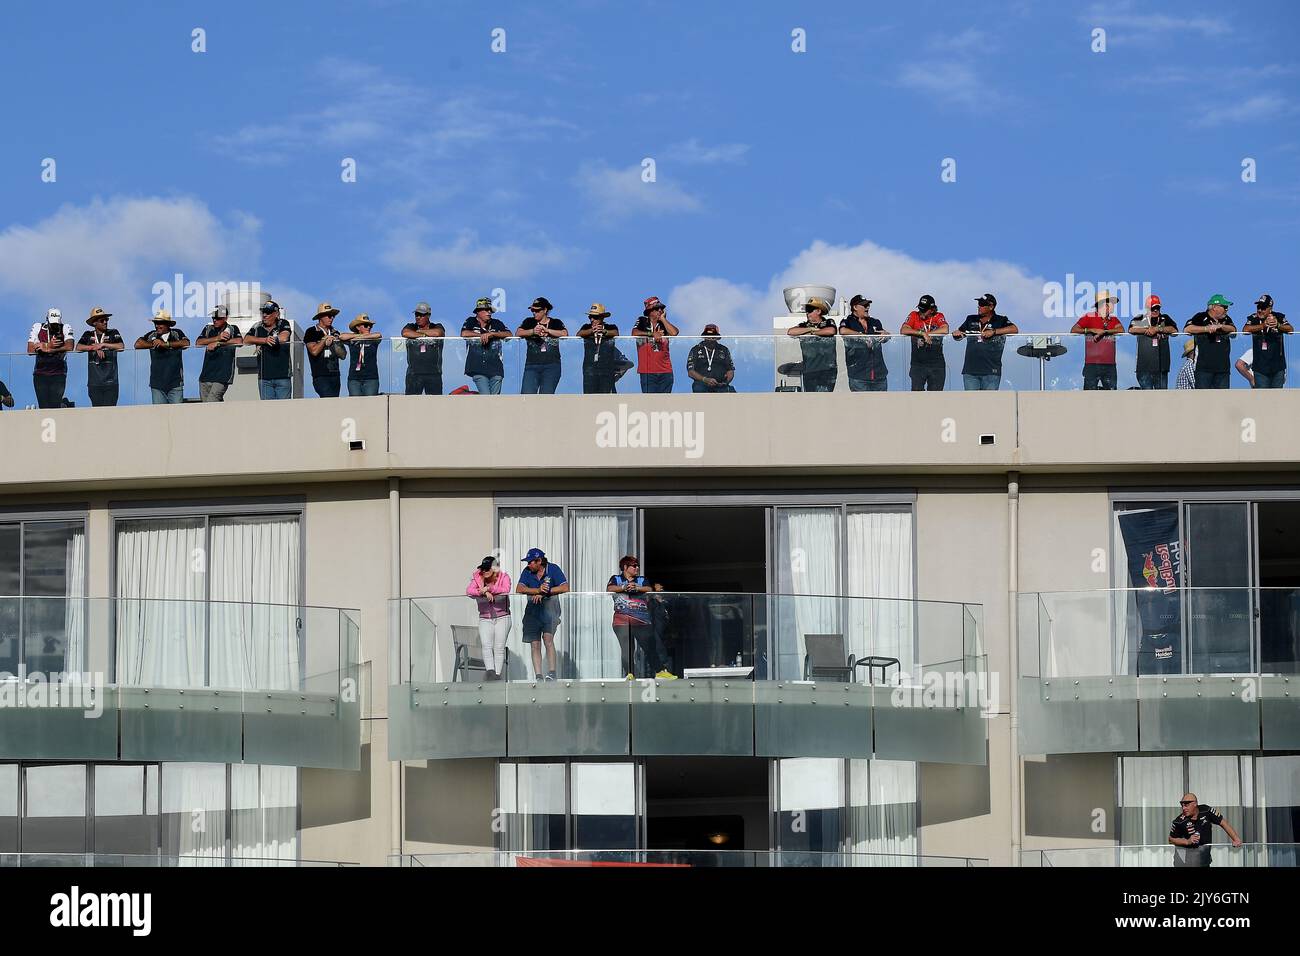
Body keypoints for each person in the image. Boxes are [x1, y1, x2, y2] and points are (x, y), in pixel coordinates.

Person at [607, 556, 676, 680]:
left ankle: (660, 671)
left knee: (650, 647)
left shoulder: (641, 579)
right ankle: (629, 673)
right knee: (627, 649)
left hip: (641, 621)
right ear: (625, 567)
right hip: (621, 621)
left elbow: (649, 589)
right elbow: (609, 589)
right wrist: (624, 587)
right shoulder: (616, 578)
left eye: (637, 565)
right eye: (634, 566)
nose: (637, 568)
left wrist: (637, 588)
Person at [516, 548, 569, 681]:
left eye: (531, 562)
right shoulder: (527, 571)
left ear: (539, 561)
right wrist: (537, 590)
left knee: (548, 640)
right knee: (535, 644)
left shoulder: (553, 569)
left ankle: (552, 673)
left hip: (550, 611)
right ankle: (538, 675)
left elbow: (565, 587)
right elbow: (519, 588)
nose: (528, 565)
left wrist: (546, 592)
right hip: (532, 612)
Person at [954, 293, 1017, 390]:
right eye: (979, 304)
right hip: (970, 371)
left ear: (991, 306)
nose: (979, 306)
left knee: (989, 403)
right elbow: (960, 333)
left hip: (991, 371)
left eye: (982, 304)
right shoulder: (970, 318)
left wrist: (994, 331)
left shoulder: (1000, 320)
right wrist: (956, 334)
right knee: (971, 403)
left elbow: (1014, 329)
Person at [466, 556, 512, 681]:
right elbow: (469, 591)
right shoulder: (477, 576)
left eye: (487, 569)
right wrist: (483, 592)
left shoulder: (504, 577)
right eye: (483, 569)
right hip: (485, 617)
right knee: (486, 645)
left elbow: (506, 590)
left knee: (498, 647)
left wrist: (490, 588)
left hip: (503, 616)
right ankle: (490, 674)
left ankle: (496, 675)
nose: (484, 571)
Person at [1168, 792, 1242, 867]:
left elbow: (1223, 822)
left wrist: (1235, 838)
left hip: (1204, 858)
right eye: (1182, 805)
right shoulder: (1179, 821)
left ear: (1195, 804)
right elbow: (1171, 839)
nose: (1184, 808)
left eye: (1186, 805)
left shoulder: (1206, 810)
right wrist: (1187, 841)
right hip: (1185, 862)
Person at [1071, 290, 1124, 390]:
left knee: (1112, 397)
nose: (1110, 306)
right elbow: (1074, 330)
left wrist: (1104, 332)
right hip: (1092, 364)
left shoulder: (1114, 319)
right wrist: (1091, 330)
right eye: (1108, 304)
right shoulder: (1088, 317)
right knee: (1089, 396)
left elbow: (1121, 329)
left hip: (1110, 365)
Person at [241, 300, 294, 400]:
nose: (264, 315)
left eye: (268, 312)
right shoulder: (257, 326)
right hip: (264, 377)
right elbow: (246, 340)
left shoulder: (283, 323)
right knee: (267, 411)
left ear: (276, 314)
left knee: (283, 410)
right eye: (263, 312)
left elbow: (284, 337)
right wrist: (264, 340)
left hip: (283, 376)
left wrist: (271, 340)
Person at [134, 310, 189, 404]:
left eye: (160, 323)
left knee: (177, 416)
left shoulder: (177, 333)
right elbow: (137, 344)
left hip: (175, 383)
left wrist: (166, 344)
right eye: (156, 323)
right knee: (159, 416)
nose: (157, 326)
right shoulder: (152, 335)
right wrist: (154, 344)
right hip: (157, 384)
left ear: (168, 324)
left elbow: (186, 343)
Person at [1184, 294, 1237, 390]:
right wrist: (1206, 328)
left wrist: (1220, 326)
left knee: (1222, 400)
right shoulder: (1200, 317)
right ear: (1214, 307)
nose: (1227, 309)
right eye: (1224, 307)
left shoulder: (1226, 319)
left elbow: (1233, 330)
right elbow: (1187, 329)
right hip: (1203, 368)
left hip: (1223, 368)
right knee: (1203, 400)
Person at [76, 306, 126, 407]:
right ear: (94, 323)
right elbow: (78, 348)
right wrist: (93, 348)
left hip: (111, 382)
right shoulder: (88, 334)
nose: (105, 322)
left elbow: (121, 347)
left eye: (106, 319)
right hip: (94, 382)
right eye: (102, 320)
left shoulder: (113, 332)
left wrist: (103, 345)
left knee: (110, 413)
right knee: (97, 413)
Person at [460, 297, 511, 394]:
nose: (489, 312)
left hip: (496, 368)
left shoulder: (496, 323)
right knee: (486, 397)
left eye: (490, 310)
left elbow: (509, 334)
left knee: (494, 400)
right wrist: (481, 335)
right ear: (478, 312)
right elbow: (464, 333)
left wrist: (492, 334)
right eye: (486, 310)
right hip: (477, 367)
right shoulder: (470, 321)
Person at [517, 297, 567, 394]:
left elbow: (564, 333)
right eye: (533, 310)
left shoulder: (556, 322)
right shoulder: (529, 321)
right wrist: (532, 331)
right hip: (532, 365)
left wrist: (548, 331)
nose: (534, 313)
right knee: (526, 396)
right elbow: (518, 333)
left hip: (552, 365)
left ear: (545, 310)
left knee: (546, 396)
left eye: (537, 310)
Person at [1128, 294, 1179, 390]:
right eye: (1153, 308)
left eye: (1157, 308)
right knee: (1148, 397)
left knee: (1162, 397)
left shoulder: (1165, 318)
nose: (1155, 310)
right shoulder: (1140, 318)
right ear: (1147, 308)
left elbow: (1174, 330)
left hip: (1161, 367)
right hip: (1144, 367)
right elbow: (1131, 329)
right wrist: (1147, 330)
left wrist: (1157, 329)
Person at [787, 297, 838, 392]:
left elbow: (831, 330)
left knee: (824, 399)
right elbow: (790, 332)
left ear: (818, 311)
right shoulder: (804, 325)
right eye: (806, 310)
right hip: (809, 369)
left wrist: (813, 333)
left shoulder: (828, 322)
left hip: (827, 369)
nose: (807, 313)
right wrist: (810, 329)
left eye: (810, 310)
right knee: (811, 400)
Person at [839, 294, 889, 391]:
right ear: (855, 307)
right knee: (861, 406)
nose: (867, 307)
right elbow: (843, 331)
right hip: (858, 376)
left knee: (882, 406)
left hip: (879, 375)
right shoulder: (848, 321)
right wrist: (862, 336)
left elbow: (884, 334)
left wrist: (886, 335)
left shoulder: (875, 321)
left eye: (868, 305)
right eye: (864, 305)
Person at [195, 305, 243, 403]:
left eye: (217, 318)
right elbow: (198, 342)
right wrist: (217, 338)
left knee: (212, 401)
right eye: (213, 317)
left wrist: (218, 343)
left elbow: (239, 341)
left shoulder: (232, 328)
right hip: (206, 375)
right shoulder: (208, 328)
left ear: (225, 318)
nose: (215, 320)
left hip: (223, 375)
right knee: (208, 405)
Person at [1242, 294, 1290, 389]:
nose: (1260, 310)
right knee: (1262, 399)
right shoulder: (1254, 318)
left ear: (1270, 308)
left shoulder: (1278, 316)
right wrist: (1263, 326)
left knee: (1277, 398)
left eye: (1263, 308)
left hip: (1278, 367)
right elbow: (1245, 330)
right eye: (1258, 307)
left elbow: (1291, 329)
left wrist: (1278, 325)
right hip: (1260, 368)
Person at [28, 308, 74, 409]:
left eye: (56, 323)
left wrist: (48, 349)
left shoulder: (65, 327)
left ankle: (63, 405)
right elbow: (30, 350)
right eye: (52, 323)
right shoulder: (38, 327)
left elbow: (70, 346)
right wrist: (48, 345)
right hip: (40, 373)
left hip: (59, 373)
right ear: (47, 319)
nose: (54, 325)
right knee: (43, 406)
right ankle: (64, 406)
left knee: (54, 406)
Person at [901, 294, 948, 391]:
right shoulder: (914, 314)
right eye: (920, 309)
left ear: (932, 309)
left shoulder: (938, 316)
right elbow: (903, 330)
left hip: (936, 364)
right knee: (917, 396)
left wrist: (928, 334)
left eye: (924, 310)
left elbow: (945, 329)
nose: (921, 312)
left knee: (936, 397)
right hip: (918, 363)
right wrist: (921, 333)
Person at [633, 295, 678, 393]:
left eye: (662, 308)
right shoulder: (642, 320)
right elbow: (634, 333)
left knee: (665, 404)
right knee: (649, 404)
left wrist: (663, 319)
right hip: (647, 371)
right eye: (658, 308)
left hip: (666, 371)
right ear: (650, 311)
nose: (661, 311)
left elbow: (674, 333)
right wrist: (652, 334)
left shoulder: (664, 324)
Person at [576, 305, 625, 393]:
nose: (592, 320)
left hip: (607, 367)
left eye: (595, 317)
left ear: (602, 317)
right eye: (590, 317)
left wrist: (604, 332)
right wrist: (591, 331)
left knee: (605, 395)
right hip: (589, 367)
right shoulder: (586, 327)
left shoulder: (611, 326)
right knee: (589, 395)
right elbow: (579, 334)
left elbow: (616, 333)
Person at [302, 302, 346, 397]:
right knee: (327, 400)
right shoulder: (311, 331)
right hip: (320, 375)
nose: (332, 318)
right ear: (320, 317)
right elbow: (314, 351)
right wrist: (324, 340)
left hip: (335, 375)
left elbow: (343, 355)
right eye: (329, 316)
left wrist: (336, 343)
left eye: (333, 316)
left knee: (334, 404)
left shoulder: (335, 332)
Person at [401, 301, 445, 395]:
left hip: (433, 373)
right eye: (417, 314)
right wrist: (424, 335)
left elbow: (438, 333)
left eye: (421, 315)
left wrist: (419, 334)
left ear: (428, 315)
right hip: (414, 374)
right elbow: (405, 333)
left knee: (435, 404)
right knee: (411, 404)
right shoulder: (411, 326)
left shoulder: (436, 326)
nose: (418, 317)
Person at [343, 314, 383, 396]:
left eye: (370, 326)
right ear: (358, 327)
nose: (369, 327)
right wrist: (359, 336)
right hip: (354, 378)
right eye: (366, 325)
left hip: (371, 378)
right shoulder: (352, 340)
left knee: (370, 404)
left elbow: (378, 335)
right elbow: (342, 336)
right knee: (355, 405)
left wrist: (364, 336)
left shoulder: (373, 340)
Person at [687, 324, 735, 392]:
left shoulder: (724, 350)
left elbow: (730, 370)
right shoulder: (696, 349)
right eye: (708, 337)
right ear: (704, 337)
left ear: (716, 338)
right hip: (702, 384)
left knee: (731, 392)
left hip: (720, 385)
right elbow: (690, 372)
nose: (710, 339)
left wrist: (725, 382)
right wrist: (705, 380)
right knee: (699, 389)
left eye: (713, 337)